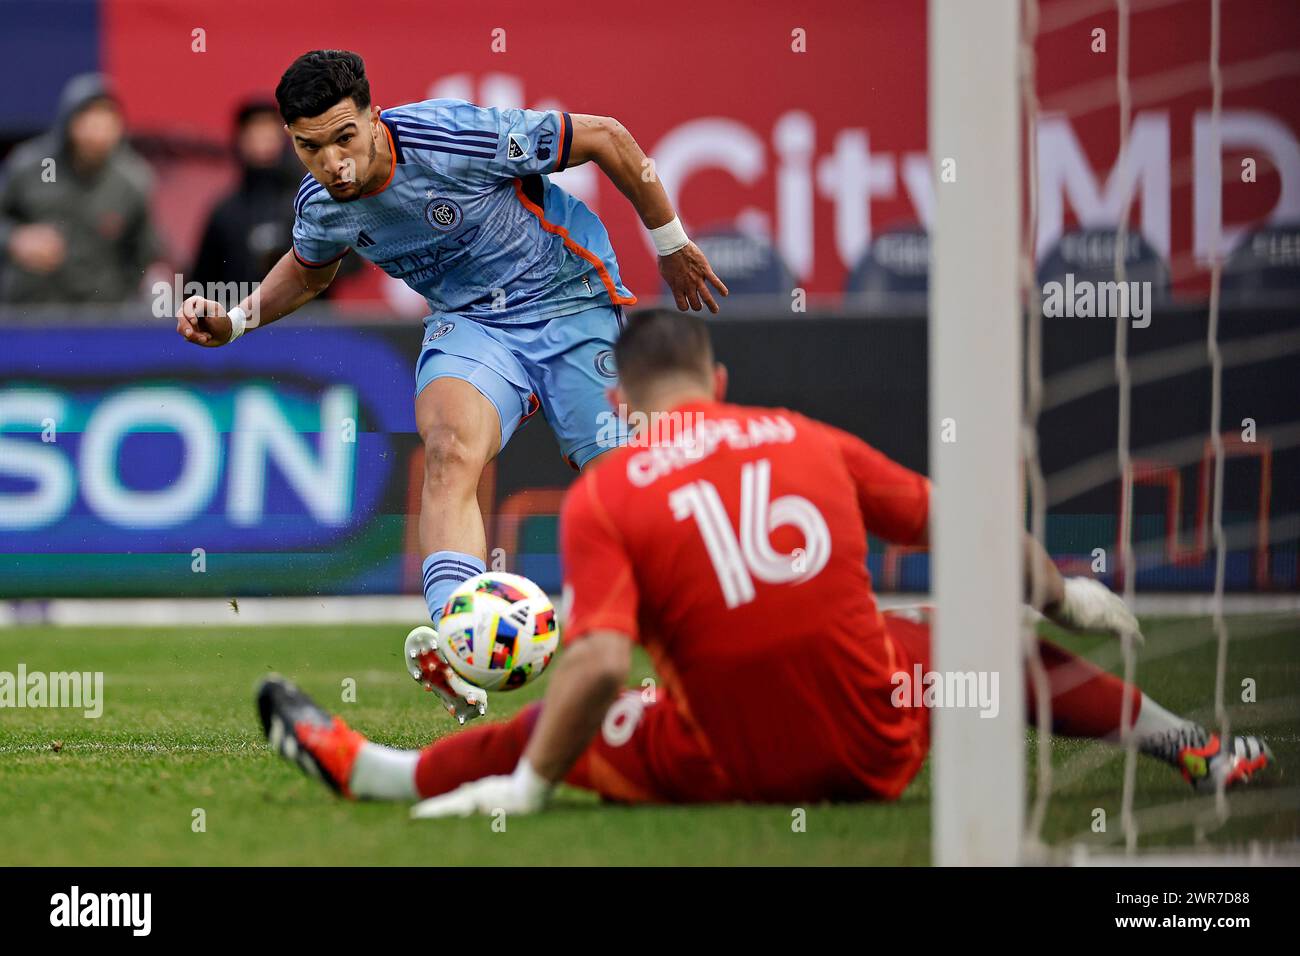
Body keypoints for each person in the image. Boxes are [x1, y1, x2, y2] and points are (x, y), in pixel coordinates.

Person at [256, 309, 1273, 816]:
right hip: (875, 749)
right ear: (720, 380)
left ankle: (374, 770)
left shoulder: (609, 489)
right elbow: (964, 527)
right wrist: (1063, 591)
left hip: (723, 761)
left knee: (567, 706)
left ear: (621, 407)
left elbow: (603, 662)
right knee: (972, 646)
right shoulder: (807, 437)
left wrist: (532, 782)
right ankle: (1195, 744)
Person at [176, 51, 727, 721]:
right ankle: (457, 642)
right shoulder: (322, 202)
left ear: (375, 118)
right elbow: (310, 272)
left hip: (569, 301)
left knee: (624, 486)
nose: (333, 163)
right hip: (472, 325)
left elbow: (606, 136)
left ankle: (714, 651)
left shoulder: (454, 137)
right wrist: (234, 322)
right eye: (309, 147)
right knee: (447, 450)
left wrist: (669, 242)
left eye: (344, 137)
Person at [0, 73, 162, 304]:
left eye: (108, 118)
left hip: (100, 315)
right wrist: (15, 240)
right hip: (30, 312)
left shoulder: (134, 180)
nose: (98, 129)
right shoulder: (28, 166)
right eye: (88, 116)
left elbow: (144, 255)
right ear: (69, 121)